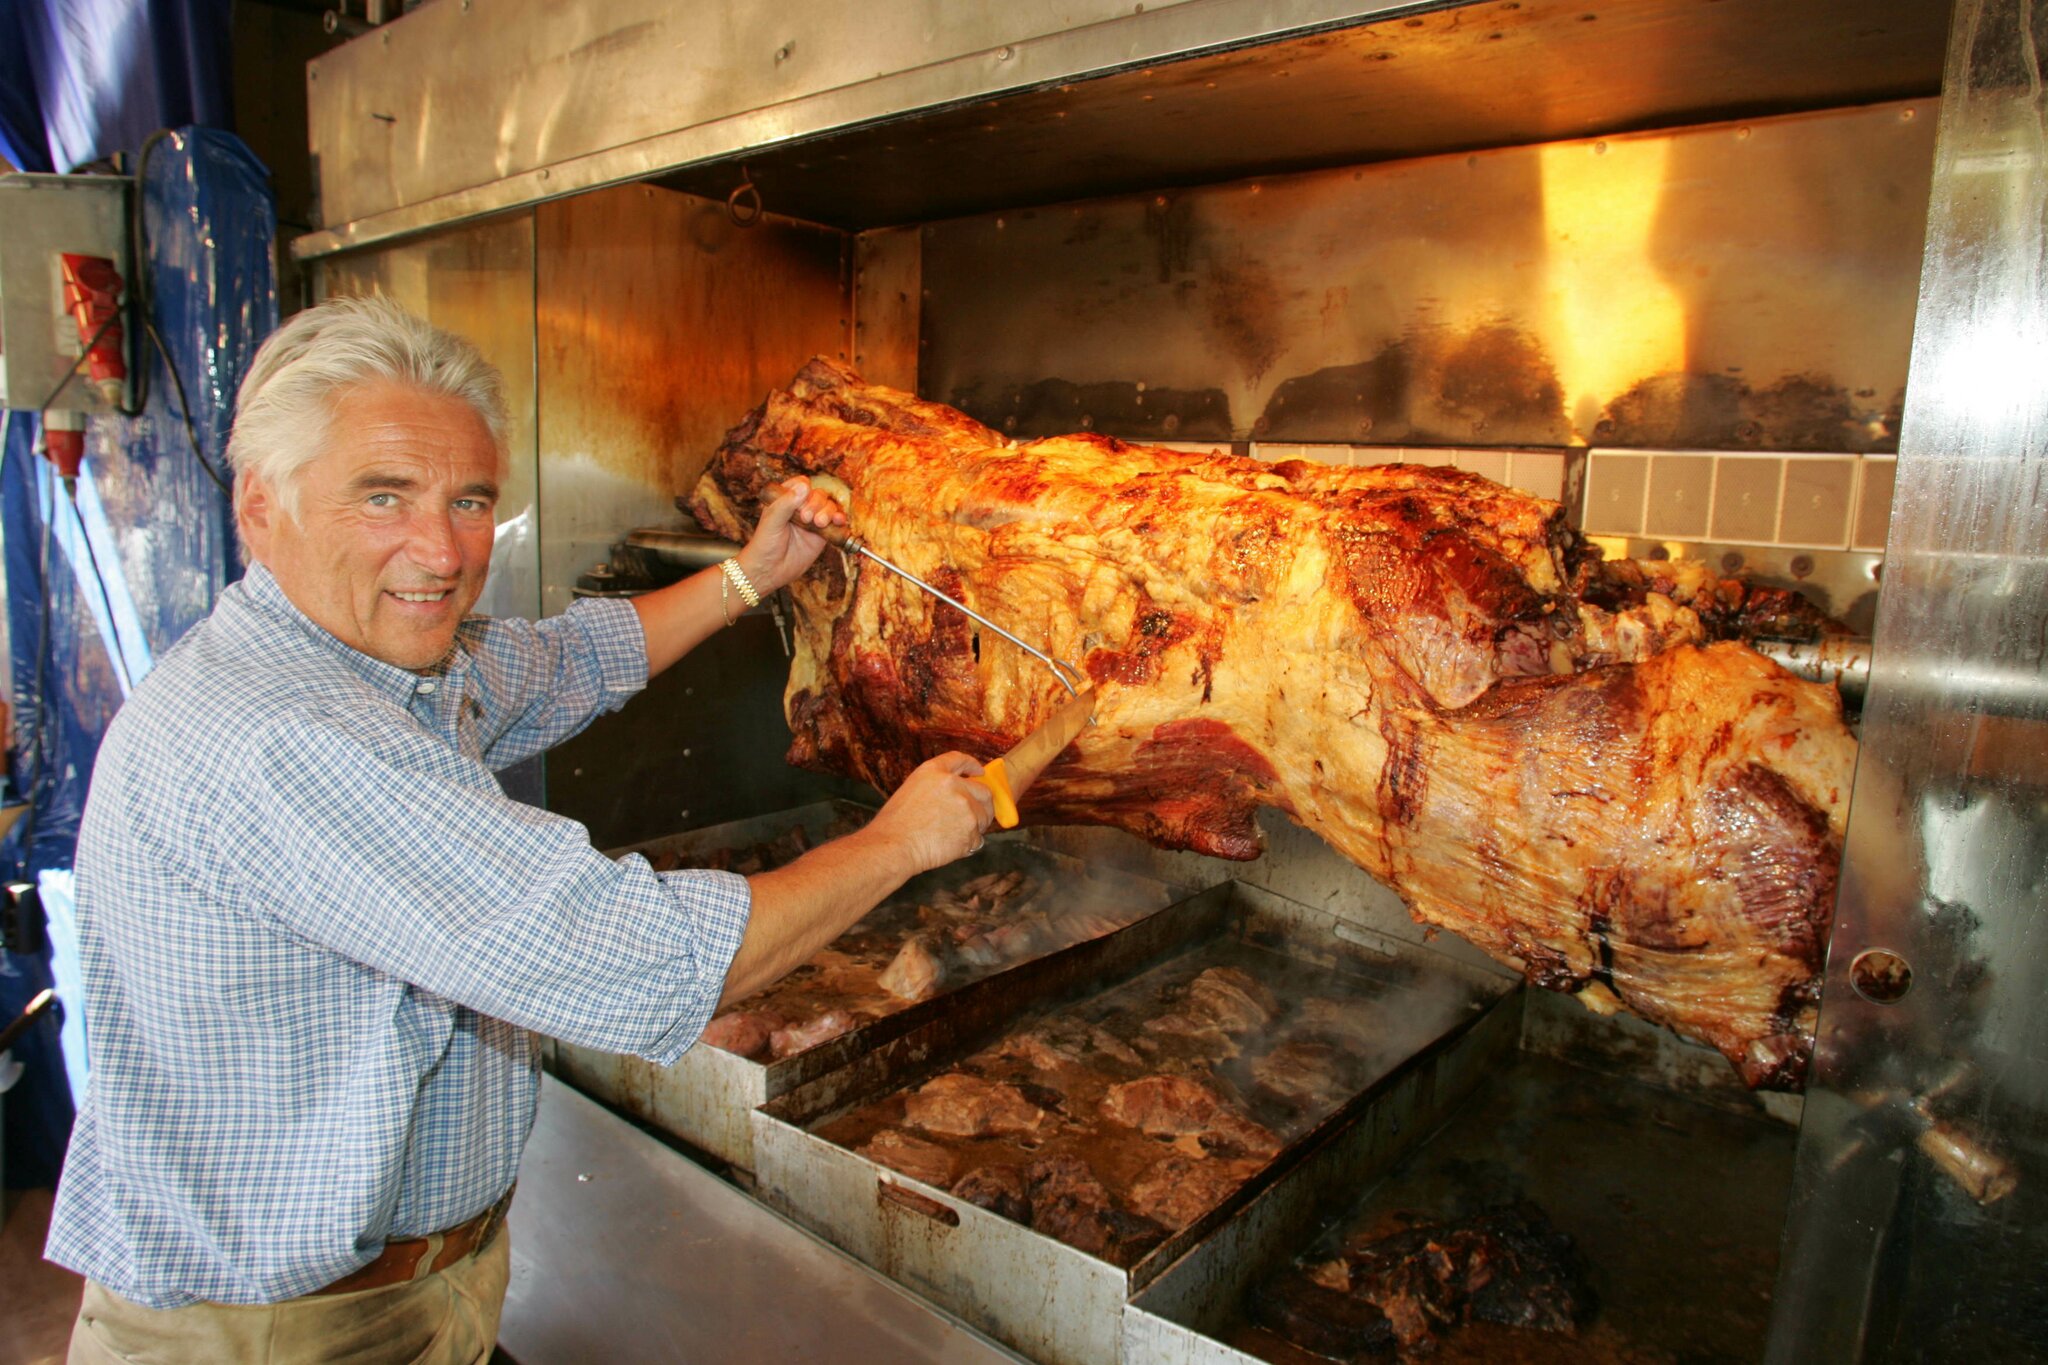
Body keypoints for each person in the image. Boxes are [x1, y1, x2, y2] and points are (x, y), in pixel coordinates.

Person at [45, 295, 994, 1363]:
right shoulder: (287, 736)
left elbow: (564, 661)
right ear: (260, 506)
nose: (441, 550)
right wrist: (900, 842)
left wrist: (753, 575)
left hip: (401, 1289)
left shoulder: (358, 658)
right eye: (383, 495)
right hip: (282, 1335)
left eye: (468, 501)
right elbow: (643, 961)